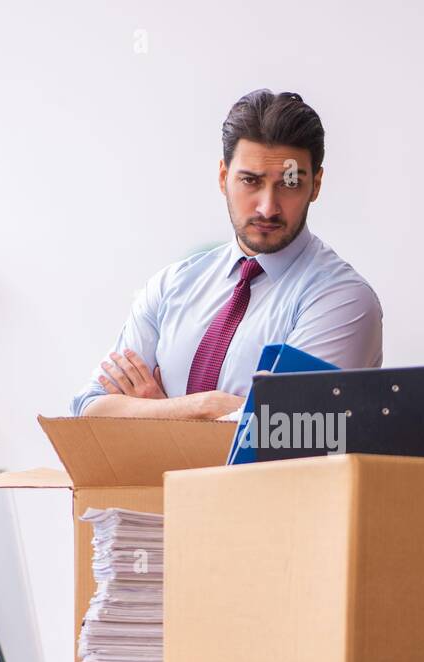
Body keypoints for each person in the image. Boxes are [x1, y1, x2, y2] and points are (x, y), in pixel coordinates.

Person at [71, 89, 383, 419]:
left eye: (289, 184)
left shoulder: (343, 300)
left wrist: (156, 413)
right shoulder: (171, 286)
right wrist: (205, 407)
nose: (268, 207)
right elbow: (89, 410)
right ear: (223, 177)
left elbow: (283, 433)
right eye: (251, 181)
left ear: (316, 185)